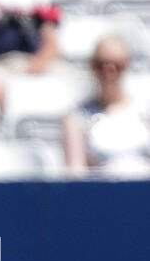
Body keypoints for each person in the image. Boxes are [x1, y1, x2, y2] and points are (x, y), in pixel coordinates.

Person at [63, 35, 150, 178]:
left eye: (117, 65)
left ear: (127, 65)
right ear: (92, 67)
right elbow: (76, 175)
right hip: (101, 196)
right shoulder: (77, 117)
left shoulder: (145, 112)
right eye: (101, 64)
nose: (109, 71)